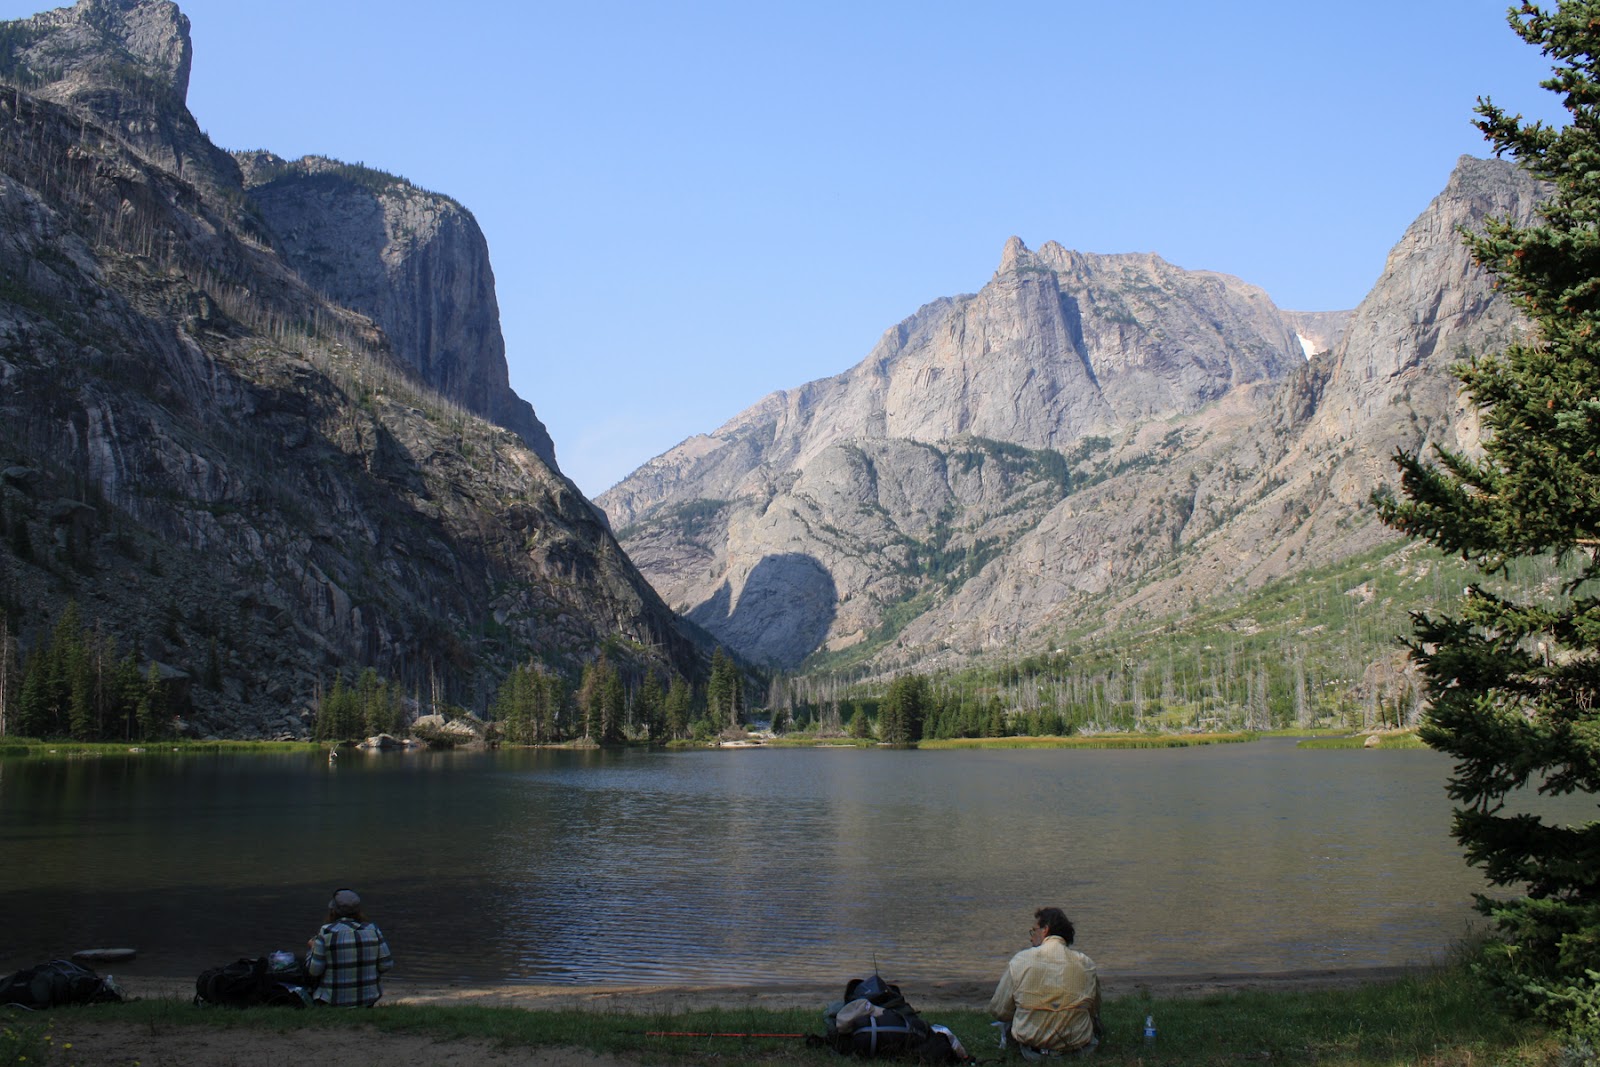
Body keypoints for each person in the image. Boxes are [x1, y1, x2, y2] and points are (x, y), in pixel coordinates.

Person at [989, 907, 1101, 1059]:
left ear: (1045, 930)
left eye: (1033, 931)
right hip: (1077, 1050)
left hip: (1033, 1052)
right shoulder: (1086, 963)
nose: (1031, 937)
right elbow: (1093, 1011)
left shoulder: (1020, 961)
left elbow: (999, 1010)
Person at [305, 888, 394, 1007]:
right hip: (368, 1000)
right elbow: (386, 965)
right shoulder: (373, 930)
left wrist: (313, 948)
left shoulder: (326, 932)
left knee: (302, 963)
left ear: (333, 911)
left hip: (332, 1001)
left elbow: (314, 971)